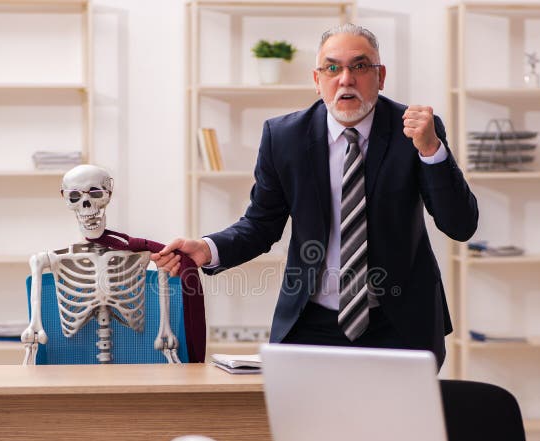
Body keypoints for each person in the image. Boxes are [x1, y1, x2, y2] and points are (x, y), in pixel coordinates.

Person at [153, 23, 478, 368]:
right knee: (306, 423)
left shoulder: (416, 131)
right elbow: (261, 225)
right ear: (317, 79)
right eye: (333, 68)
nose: (346, 79)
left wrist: (431, 151)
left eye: (360, 66)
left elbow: (461, 225)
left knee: (395, 423)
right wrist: (207, 248)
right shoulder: (284, 137)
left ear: (381, 77)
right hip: (312, 322)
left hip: (400, 323)